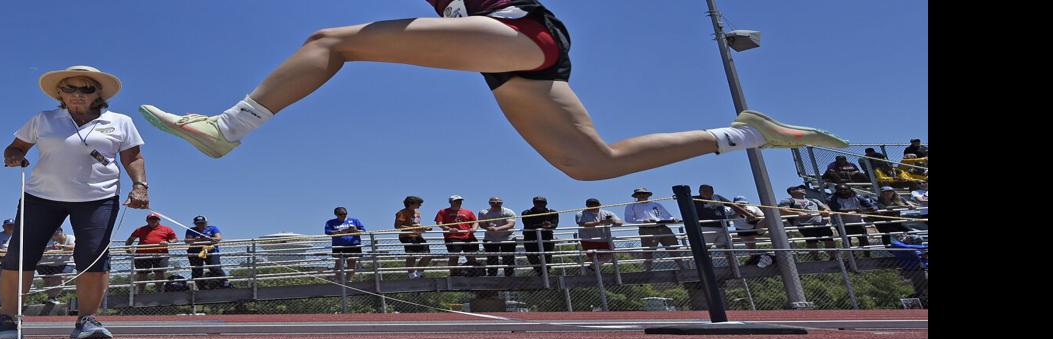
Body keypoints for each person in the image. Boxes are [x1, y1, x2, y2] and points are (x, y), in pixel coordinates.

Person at [138, 1, 846, 182]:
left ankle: (230, 127)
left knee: (331, 41)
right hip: (515, 53)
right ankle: (750, 133)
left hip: (517, 31)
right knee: (589, 164)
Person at [0, 66, 150, 339]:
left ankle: (87, 320)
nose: (78, 94)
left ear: (98, 93)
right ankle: (6, 320)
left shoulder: (120, 121)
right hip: (41, 197)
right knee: (19, 255)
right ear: (60, 93)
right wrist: (13, 156)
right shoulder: (44, 119)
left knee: (92, 257)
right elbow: (15, 147)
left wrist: (140, 186)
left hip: (97, 198)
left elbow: (133, 158)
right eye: (70, 88)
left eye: (86, 88)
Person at [624, 188, 685, 272]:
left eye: (644, 194)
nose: (642, 195)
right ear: (636, 196)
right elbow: (628, 219)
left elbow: (666, 215)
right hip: (647, 229)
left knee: (673, 247)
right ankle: (648, 269)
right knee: (648, 250)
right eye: (640, 194)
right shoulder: (631, 206)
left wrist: (673, 219)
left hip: (662, 227)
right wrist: (642, 221)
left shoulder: (656, 204)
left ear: (648, 195)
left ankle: (682, 267)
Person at [779, 186, 835, 260]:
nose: (803, 189)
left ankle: (833, 257)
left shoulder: (814, 200)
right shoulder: (788, 201)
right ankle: (816, 258)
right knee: (811, 241)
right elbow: (782, 211)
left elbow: (826, 208)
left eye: (803, 188)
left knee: (828, 239)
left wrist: (825, 211)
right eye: (800, 188)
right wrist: (798, 213)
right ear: (792, 191)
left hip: (821, 223)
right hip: (805, 225)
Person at [126, 214, 179, 293]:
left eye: (155, 219)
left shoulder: (167, 229)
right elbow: (131, 239)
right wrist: (127, 248)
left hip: (160, 254)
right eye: (151, 219)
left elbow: (175, 239)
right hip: (142, 255)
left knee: (159, 272)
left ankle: (159, 291)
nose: (153, 221)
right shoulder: (140, 229)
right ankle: (140, 292)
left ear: (159, 220)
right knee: (142, 273)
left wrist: (168, 242)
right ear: (147, 221)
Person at [435, 195, 479, 273]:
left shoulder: (468, 211)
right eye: (456, 201)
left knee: (471, 256)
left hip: (468, 236)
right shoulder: (443, 211)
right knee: (454, 256)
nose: (459, 202)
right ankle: (453, 273)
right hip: (452, 236)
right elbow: (439, 223)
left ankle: (473, 272)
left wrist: (474, 228)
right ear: (450, 202)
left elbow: (475, 222)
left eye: (460, 200)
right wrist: (449, 228)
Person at [729, 197, 774, 270]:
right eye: (738, 204)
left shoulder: (753, 208)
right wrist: (737, 213)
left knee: (767, 218)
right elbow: (726, 219)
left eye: (743, 204)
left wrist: (753, 215)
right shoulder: (730, 210)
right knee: (751, 249)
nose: (741, 206)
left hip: (755, 227)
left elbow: (763, 217)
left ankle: (763, 257)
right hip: (743, 230)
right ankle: (754, 260)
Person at [395, 196, 434, 278]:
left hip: (418, 236)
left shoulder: (417, 213)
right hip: (407, 236)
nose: (420, 205)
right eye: (418, 203)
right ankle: (411, 275)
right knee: (411, 255)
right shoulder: (402, 213)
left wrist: (424, 228)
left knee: (428, 255)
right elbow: (397, 226)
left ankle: (419, 274)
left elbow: (415, 224)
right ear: (411, 203)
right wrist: (414, 228)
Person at [575, 198, 624, 264]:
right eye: (591, 205)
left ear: (600, 205)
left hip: (604, 239)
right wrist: (600, 222)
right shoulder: (581, 213)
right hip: (588, 240)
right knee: (594, 257)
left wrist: (613, 221)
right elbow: (582, 224)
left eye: (595, 204)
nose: (593, 206)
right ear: (587, 206)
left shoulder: (607, 213)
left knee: (611, 254)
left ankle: (590, 267)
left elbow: (620, 222)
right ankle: (590, 268)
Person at [185, 216, 227, 290]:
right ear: (195, 223)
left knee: (215, 268)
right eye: (198, 223)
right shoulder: (191, 230)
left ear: (206, 223)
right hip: (195, 252)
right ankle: (201, 288)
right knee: (197, 270)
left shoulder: (212, 228)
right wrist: (195, 239)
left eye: (202, 223)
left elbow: (218, 238)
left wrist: (209, 238)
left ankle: (225, 283)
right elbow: (187, 240)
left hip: (210, 251)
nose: (200, 225)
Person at [325, 207, 367, 282]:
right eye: (341, 214)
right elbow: (328, 232)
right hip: (338, 246)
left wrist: (355, 230)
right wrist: (340, 231)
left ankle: (348, 280)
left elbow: (363, 231)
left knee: (352, 263)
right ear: (336, 214)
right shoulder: (330, 222)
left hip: (353, 245)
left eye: (345, 214)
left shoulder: (355, 220)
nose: (343, 215)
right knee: (338, 263)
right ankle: (340, 281)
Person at [520, 196, 559, 275]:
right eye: (537, 202)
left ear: (546, 203)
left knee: (547, 256)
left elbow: (554, 225)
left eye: (542, 202)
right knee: (531, 255)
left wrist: (549, 226)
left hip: (547, 238)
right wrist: (543, 225)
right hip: (530, 238)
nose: (540, 204)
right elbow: (528, 225)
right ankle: (541, 272)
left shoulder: (552, 212)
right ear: (534, 203)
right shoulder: (527, 213)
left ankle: (546, 273)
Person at [481, 197, 519, 276]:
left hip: (508, 238)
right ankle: (492, 277)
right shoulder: (483, 212)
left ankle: (509, 277)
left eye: (498, 202)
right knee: (492, 259)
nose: (495, 204)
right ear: (489, 203)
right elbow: (481, 223)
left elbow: (511, 224)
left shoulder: (508, 212)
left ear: (501, 203)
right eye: (493, 203)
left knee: (508, 259)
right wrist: (488, 227)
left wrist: (497, 228)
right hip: (490, 238)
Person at [37, 228, 75, 305]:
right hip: (47, 263)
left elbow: (73, 247)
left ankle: (52, 297)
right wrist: (49, 248)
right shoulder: (47, 239)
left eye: (56, 233)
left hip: (65, 263)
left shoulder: (70, 237)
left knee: (59, 278)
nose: (54, 235)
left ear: (61, 232)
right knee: (48, 281)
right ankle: (51, 298)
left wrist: (62, 246)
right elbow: (39, 249)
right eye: (52, 234)